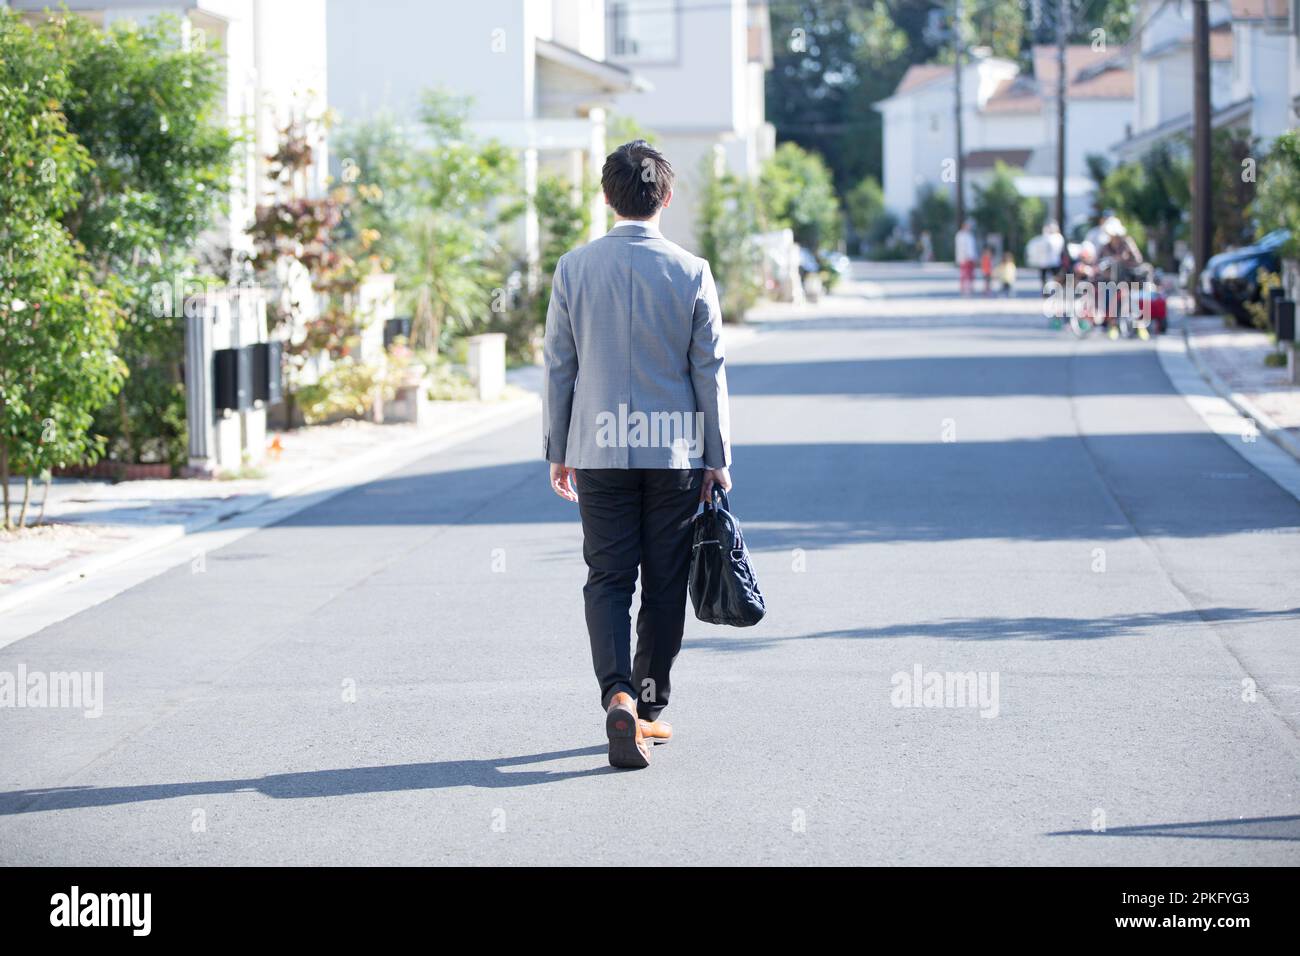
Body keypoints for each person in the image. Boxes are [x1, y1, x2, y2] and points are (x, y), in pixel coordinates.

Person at [542, 140, 732, 771]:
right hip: (674, 452)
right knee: (664, 584)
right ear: (666, 197)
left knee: (608, 577)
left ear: (606, 197)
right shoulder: (691, 270)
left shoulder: (573, 268)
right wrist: (717, 454)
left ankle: (616, 694)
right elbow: (708, 368)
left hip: (597, 446)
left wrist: (558, 447)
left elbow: (560, 365)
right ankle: (648, 708)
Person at [955, 219, 977, 295]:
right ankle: (964, 288)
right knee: (964, 274)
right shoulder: (960, 235)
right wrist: (961, 257)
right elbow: (960, 247)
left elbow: (973, 248)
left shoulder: (970, 235)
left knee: (971, 274)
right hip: (964, 258)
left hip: (971, 257)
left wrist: (974, 257)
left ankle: (970, 288)